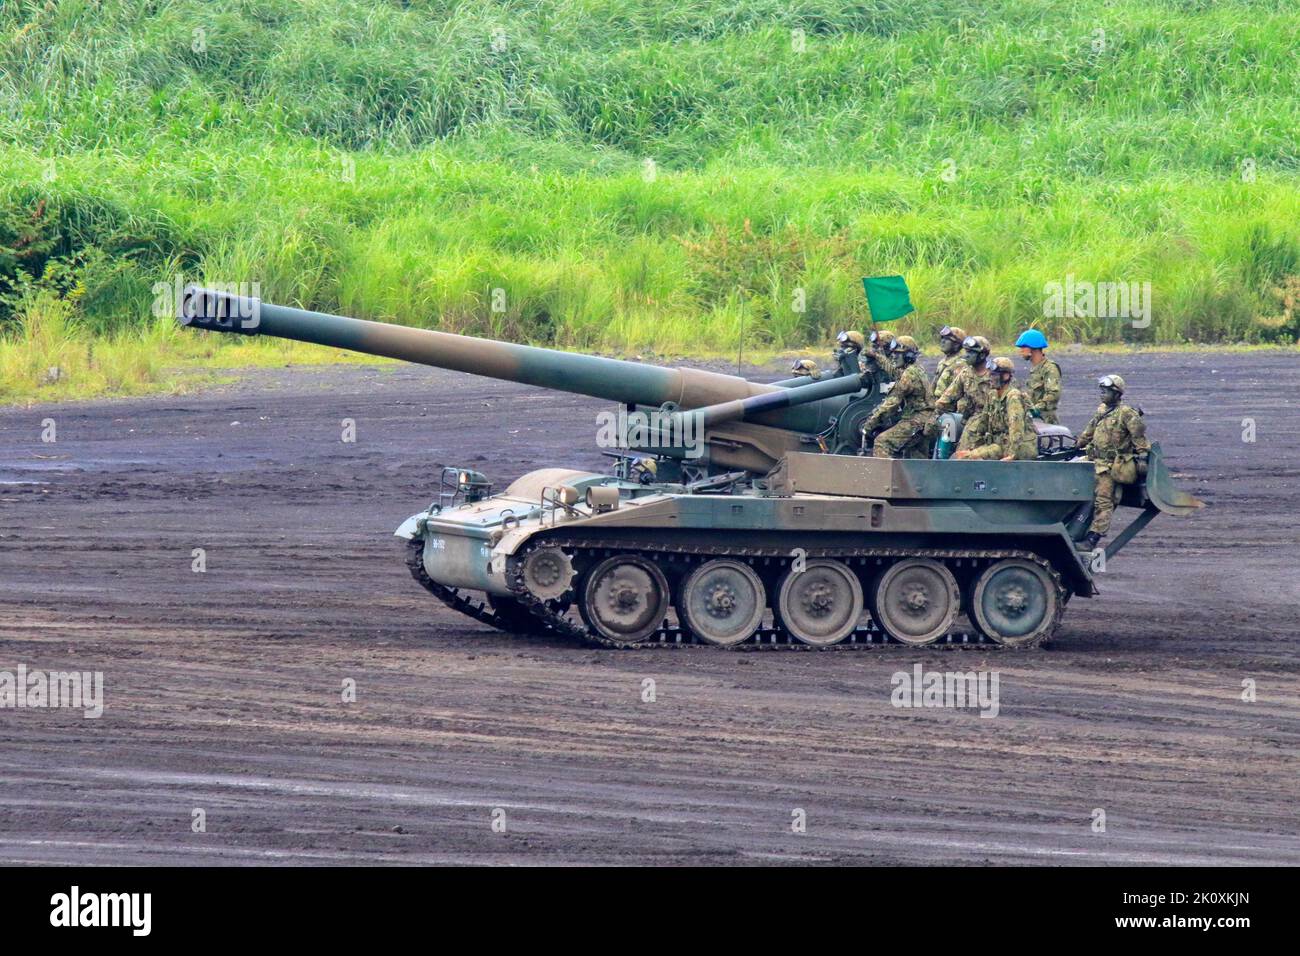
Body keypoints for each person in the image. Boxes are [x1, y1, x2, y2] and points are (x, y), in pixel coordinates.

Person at [1077, 374, 1151, 550]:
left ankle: (1092, 539)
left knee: (1104, 501)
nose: (1102, 394)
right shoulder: (1101, 410)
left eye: (1107, 391)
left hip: (1111, 466)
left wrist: (1142, 457)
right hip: (1094, 460)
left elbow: (1139, 437)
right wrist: (1078, 444)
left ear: (1117, 394)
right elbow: (1089, 431)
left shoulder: (1126, 414)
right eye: (1101, 391)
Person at [860, 336, 932, 458]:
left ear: (908, 356)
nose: (894, 356)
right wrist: (878, 356)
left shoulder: (909, 375)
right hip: (926, 420)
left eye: (898, 354)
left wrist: (870, 423)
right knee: (916, 457)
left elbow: (891, 403)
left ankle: (883, 476)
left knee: (882, 442)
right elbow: (894, 371)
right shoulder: (917, 369)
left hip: (916, 421)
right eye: (893, 353)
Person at [953, 358, 1037, 461]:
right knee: (963, 455)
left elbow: (1016, 428)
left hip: (1014, 447)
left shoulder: (1013, 397)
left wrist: (1012, 455)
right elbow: (983, 422)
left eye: (994, 375)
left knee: (969, 457)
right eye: (990, 374)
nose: (990, 378)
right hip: (998, 444)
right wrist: (969, 445)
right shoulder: (992, 395)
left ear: (1005, 376)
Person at [934, 335, 993, 451]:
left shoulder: (995, 374)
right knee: (959, 447)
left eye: (971, 352)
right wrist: (934, 414)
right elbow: (947, 398)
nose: (966, 355)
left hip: (994, 420)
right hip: (973, 420)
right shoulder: (966, 374)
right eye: (966, 351)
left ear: (981, 355)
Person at [1015, 329, 1062, 424]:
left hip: (1046, 420)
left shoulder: (1049, 368)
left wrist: (1036, 409)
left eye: (1024, 347)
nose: (1021, 351)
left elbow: (1053, 394)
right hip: (1034, 419)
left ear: (1033, 348)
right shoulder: (1036, 369)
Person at [932, 325, 967, 397]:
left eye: (947, 339)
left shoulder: (960, 365)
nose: (943, 341)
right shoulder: (942, 362)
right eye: (942, 338)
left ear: (956, 345)